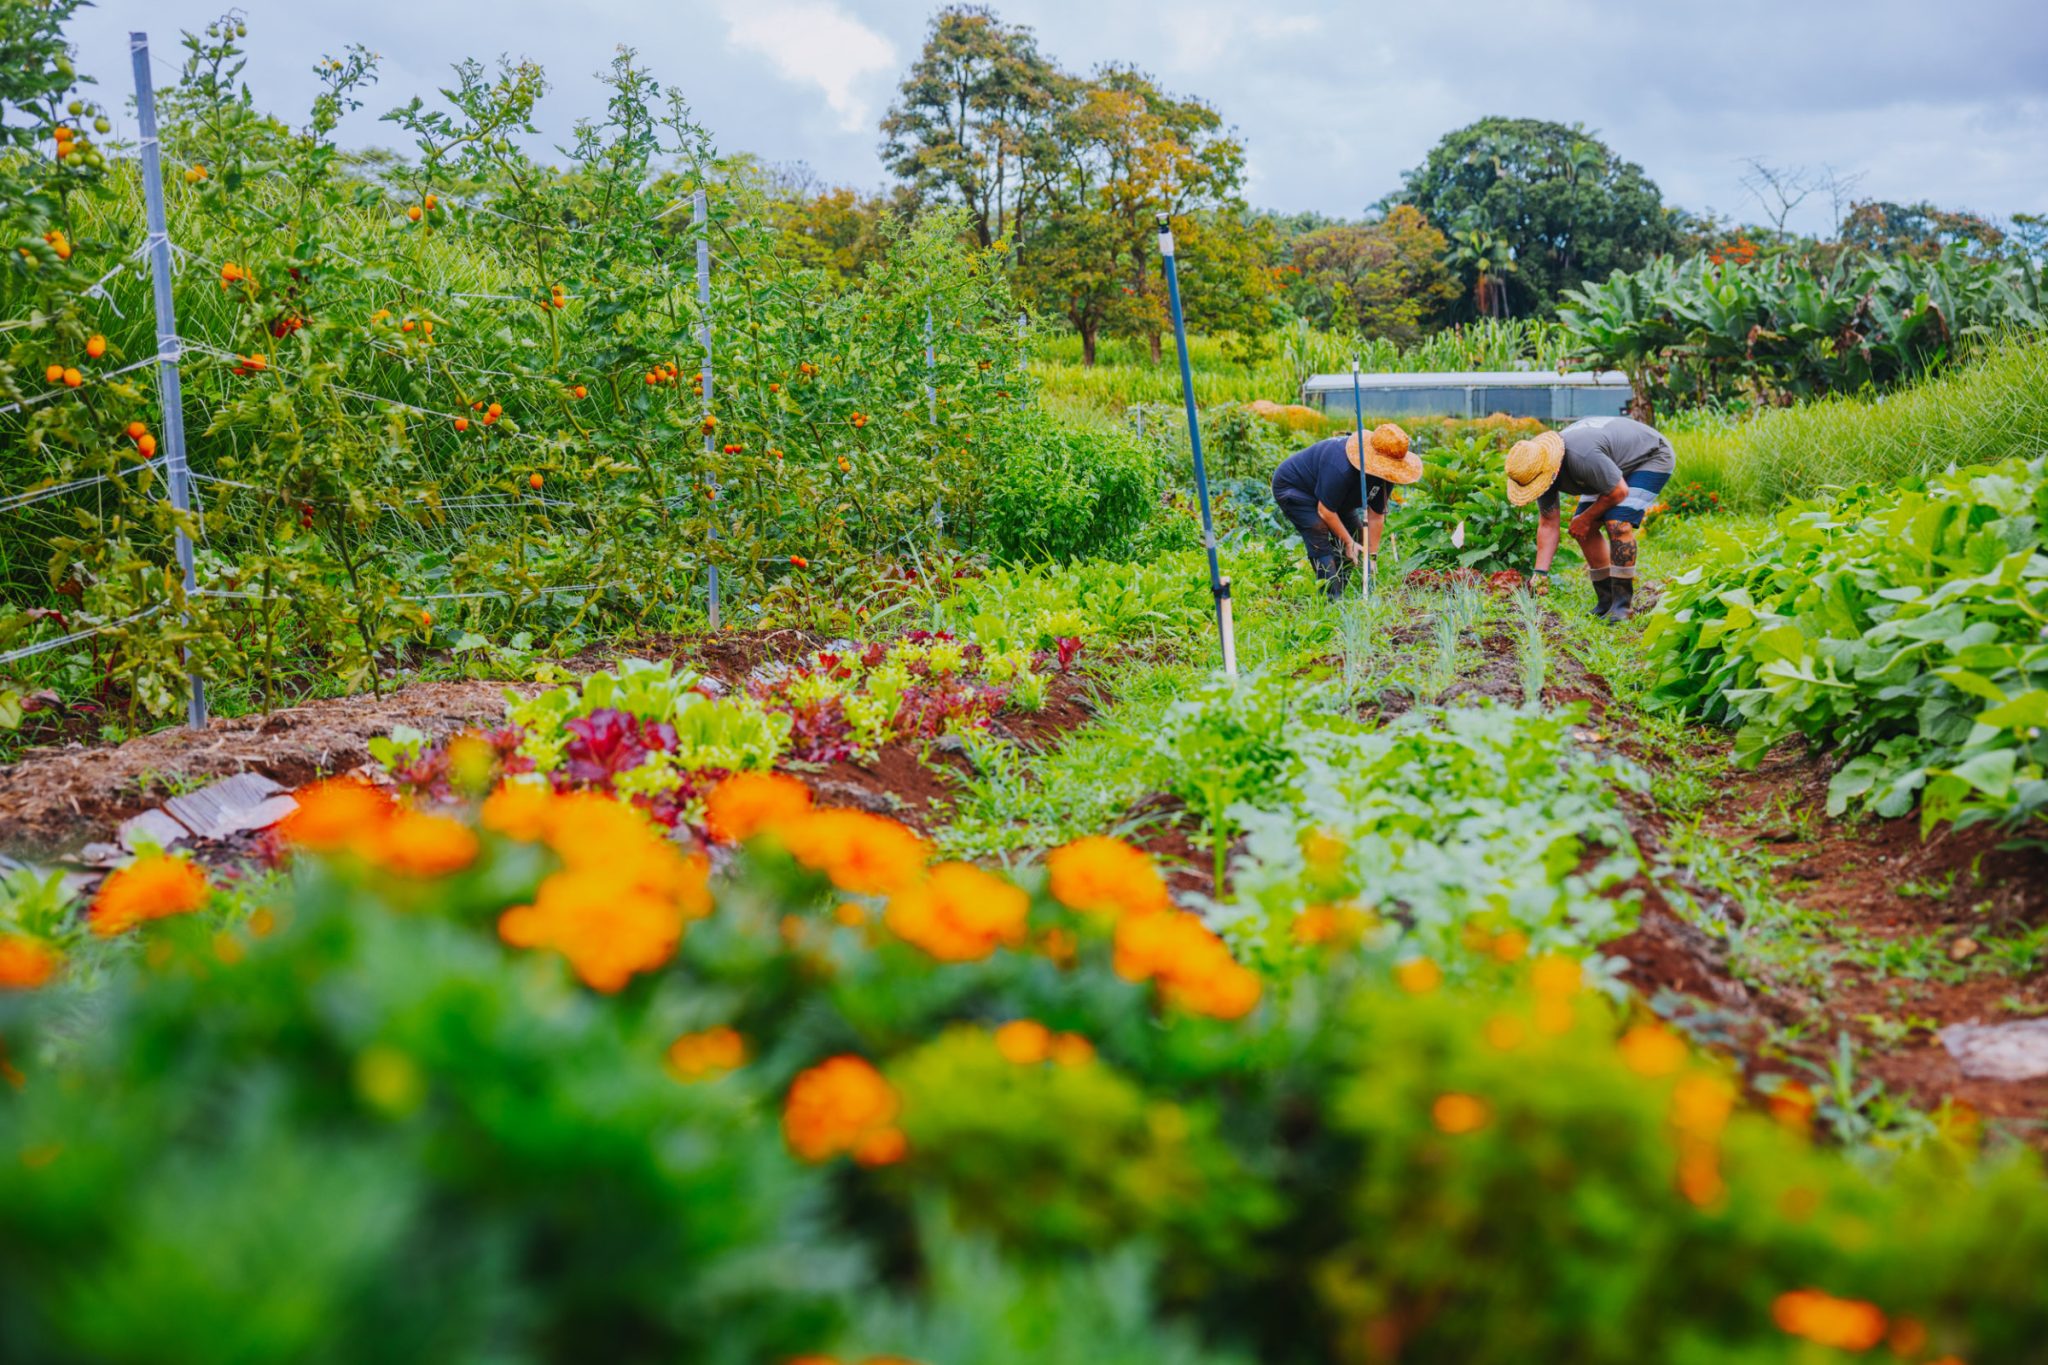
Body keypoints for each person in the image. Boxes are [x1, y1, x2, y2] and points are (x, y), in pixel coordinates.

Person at [1503, 415, 1676, 620]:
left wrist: (1585, 518)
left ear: (1551, 468)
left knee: (1617, 523)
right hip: (1609, 466)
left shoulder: (1581, 457)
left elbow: (1618, 492)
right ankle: (1606, 600)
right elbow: (1548, 524)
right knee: (1583, 531)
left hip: (1650, 456)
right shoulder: (1538, 473)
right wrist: (1540, 574)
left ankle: (1622, 606)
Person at [1271, 422, 1421, 599]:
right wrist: (1348, 542)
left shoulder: (1386, 475)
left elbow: (1376, 516)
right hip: (1296, 489)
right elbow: (1325, 511)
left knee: (1357, 536)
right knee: (1318, 530)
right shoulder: (1340, 466)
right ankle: (1331, 600)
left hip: (1336, 499)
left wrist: (1371, 557)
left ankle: (1341, 590)